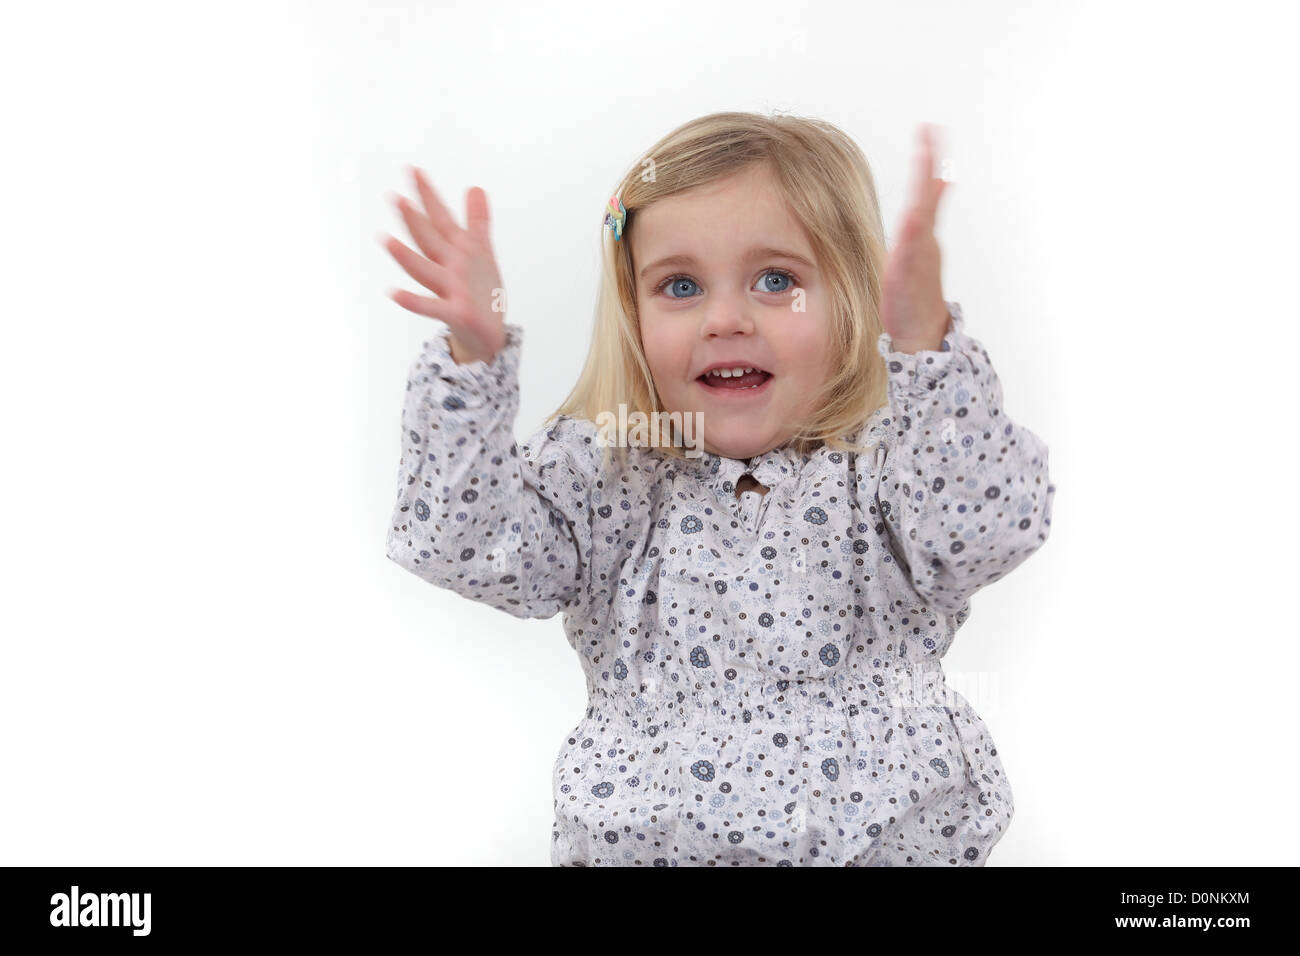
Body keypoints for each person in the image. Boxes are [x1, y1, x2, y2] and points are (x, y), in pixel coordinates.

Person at [380, 112, 1056, 866]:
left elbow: (987, 529)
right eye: (679, 285)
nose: (725, 319)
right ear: (633, 315)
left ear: (851, 300)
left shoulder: (894, 465)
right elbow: (463, 544)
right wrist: (472, 359)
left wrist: (929, 350)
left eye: (778, 281)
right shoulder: (610, 471)